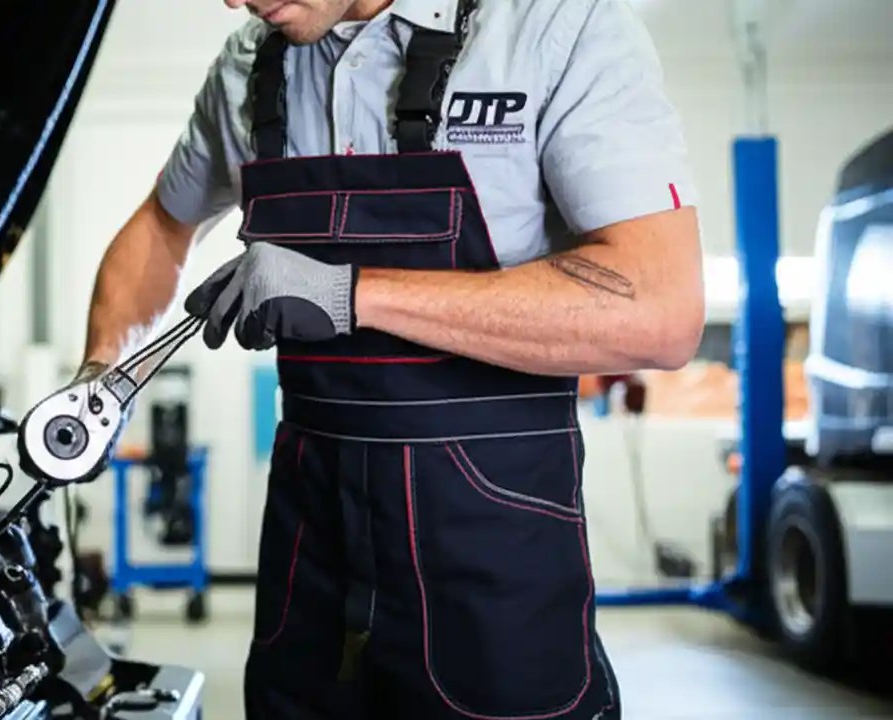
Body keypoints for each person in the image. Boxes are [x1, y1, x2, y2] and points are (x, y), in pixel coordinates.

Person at [76, 0, 705, 717]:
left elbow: (660, 309)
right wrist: (103, 374)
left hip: (493, 544)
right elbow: (163, 224)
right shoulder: (249, 71)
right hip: (308, 543)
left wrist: (352, 294)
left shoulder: (554, 26)